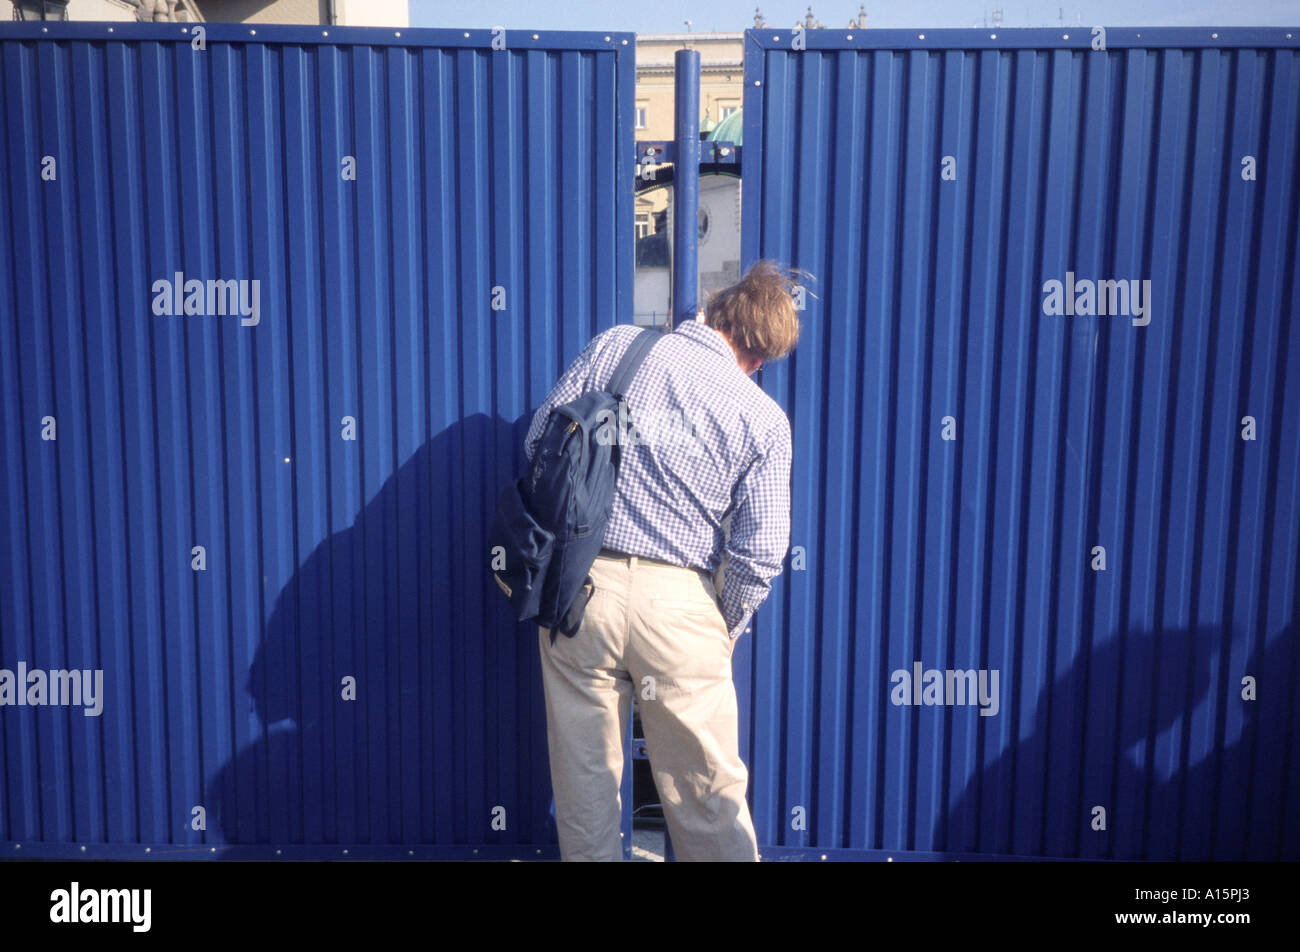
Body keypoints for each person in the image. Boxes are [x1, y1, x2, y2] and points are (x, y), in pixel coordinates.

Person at [525, 260, 802, 861]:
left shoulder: (618, 348)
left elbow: (538, 442)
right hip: (681, 608)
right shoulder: (763, 418)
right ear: (757, 355)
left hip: (582, 590)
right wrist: (726, 623)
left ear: (715, 309)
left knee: (586, 787)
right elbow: (760, 551)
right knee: (709, 796)